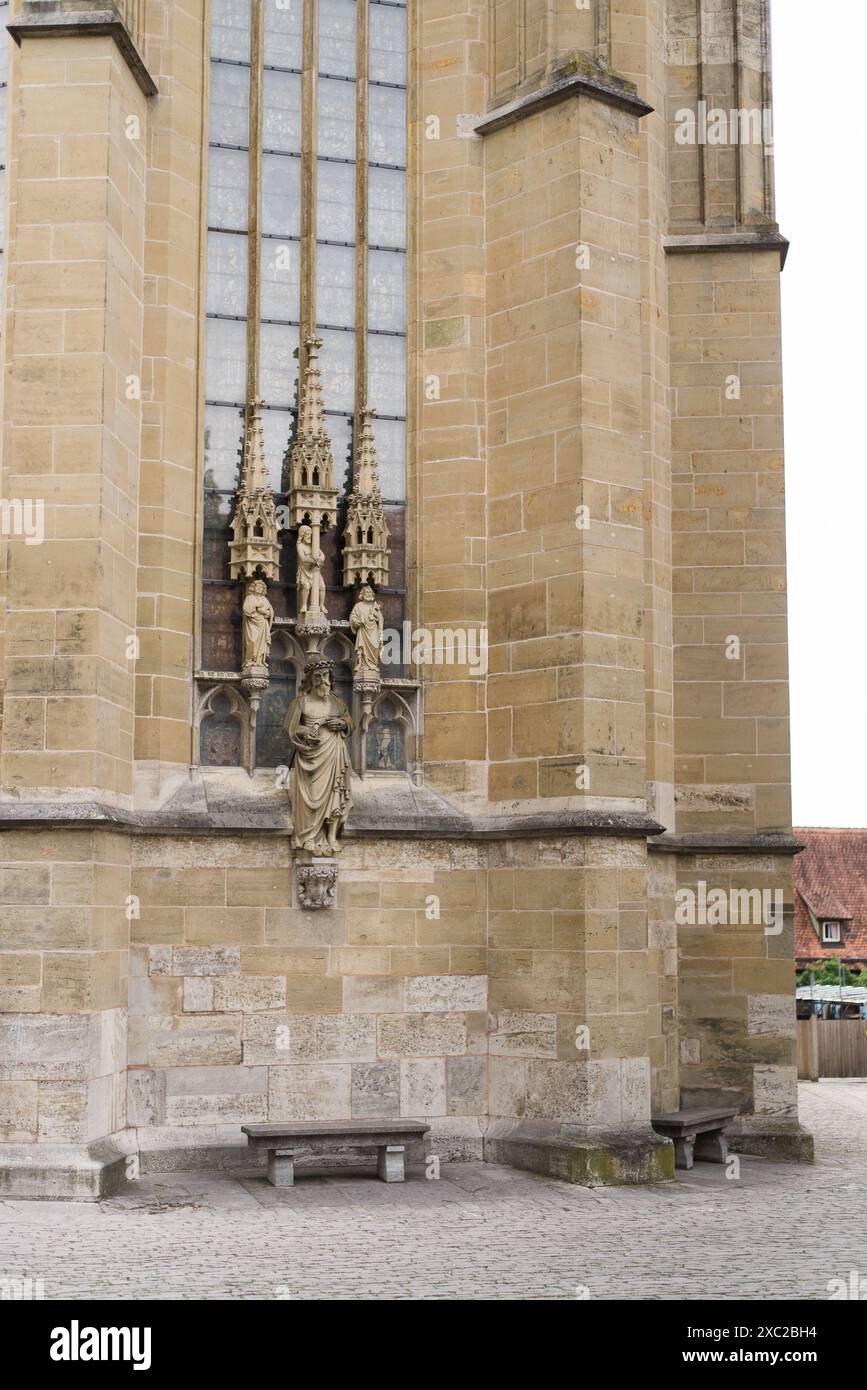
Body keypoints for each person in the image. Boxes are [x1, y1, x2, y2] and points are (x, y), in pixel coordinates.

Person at [283, 656, 353, 855]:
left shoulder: (337, 703)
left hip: (335, 754)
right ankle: (309, 836)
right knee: (310, 797)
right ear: (310, 679)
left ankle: (331, 835)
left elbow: (349, 722)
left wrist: (342, 723)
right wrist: (306, 732)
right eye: (318, 677)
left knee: (335, 792)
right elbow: (290, 727)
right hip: (311, 757)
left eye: (326, 676)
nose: (323, 681)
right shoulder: (301, 702)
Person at [349, 583, 383, 677]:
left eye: (370, 592)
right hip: (363, 630)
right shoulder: (358, 606)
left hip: (373, 631)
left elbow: (380, 618)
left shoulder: (374, 606)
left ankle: (372, 664)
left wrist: (379, 626)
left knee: (375, 646)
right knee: (362, 647)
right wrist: (358, 622)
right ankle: (362, 664)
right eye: (366, 592)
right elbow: (353, 617)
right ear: (362, 594)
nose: (369, 594)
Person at [241, 579, 273, 669]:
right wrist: (256, 609)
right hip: (252, 624)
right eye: (258, 586)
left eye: (261, 587)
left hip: (262, 624)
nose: (259, 588)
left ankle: (259, 661)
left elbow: (270, 612)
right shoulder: (249, 598)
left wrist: (265, 612)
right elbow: (246, 610)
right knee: (252, 641)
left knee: (262, 643)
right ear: (253, 588)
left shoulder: (264, 600)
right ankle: (250, 661)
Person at [296, 524, 326, 617]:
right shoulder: (300, 545)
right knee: (306, 587)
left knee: (322, 587)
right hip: (305, 569)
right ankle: (304, 605)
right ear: (302, 535)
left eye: (310, 534)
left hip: (315, 570)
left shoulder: (314, 545)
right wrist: (313, 560)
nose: (309, 536)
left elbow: (323, 555)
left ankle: (321, 605)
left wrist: (319, 560)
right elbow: (303, 558)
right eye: (306, 534)